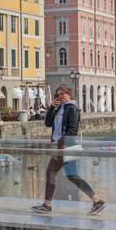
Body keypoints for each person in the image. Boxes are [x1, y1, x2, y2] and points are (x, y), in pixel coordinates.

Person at [33, 85, 105, 215]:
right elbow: (48, 123)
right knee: (72, 176)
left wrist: (62, 142)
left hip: (66, 146)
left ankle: (47, 205)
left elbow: (73, 130)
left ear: (69, 94)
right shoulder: (59, 108)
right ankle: (96, 200)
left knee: (51, 173)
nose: (60, 96)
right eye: (58, 95)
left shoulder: (72, 108)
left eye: (62, 94)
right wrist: (51, 108)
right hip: (65, 146)